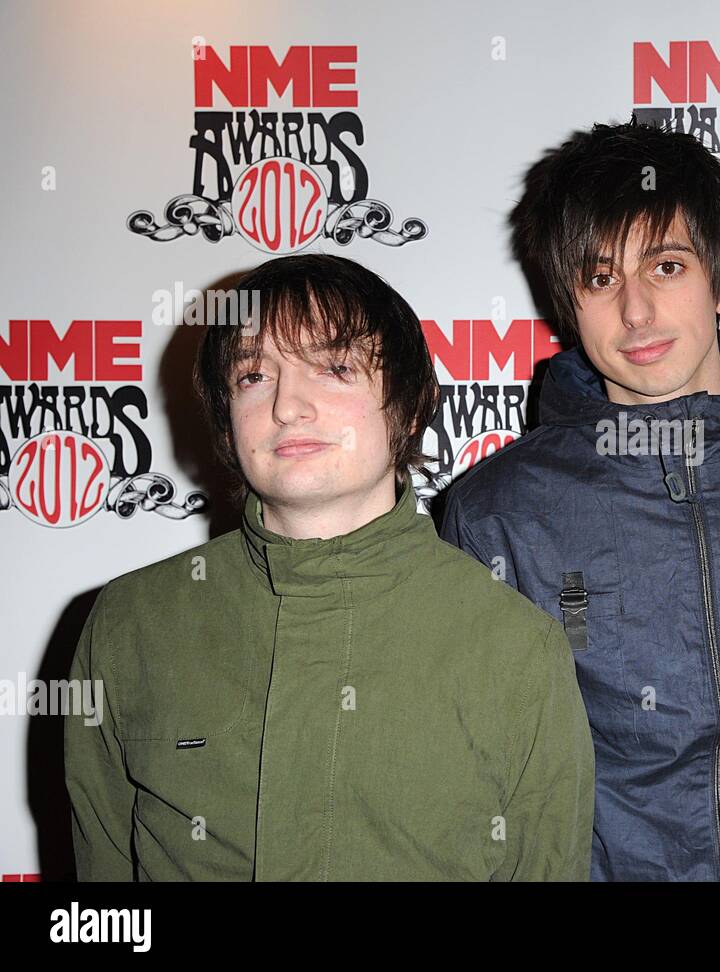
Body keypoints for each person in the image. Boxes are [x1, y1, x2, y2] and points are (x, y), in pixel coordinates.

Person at [440, 120, 720, 880]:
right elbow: (472, 778)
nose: (636, 312)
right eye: (599, 279)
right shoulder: (498, 512)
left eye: (667, 266)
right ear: (567, 302)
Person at [65, 254, 594, 881]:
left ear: (410, 405)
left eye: (335, 368)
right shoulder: (133, 622)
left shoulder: (516, 647)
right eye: (254, 376)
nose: (288, 406)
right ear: (226, 419)